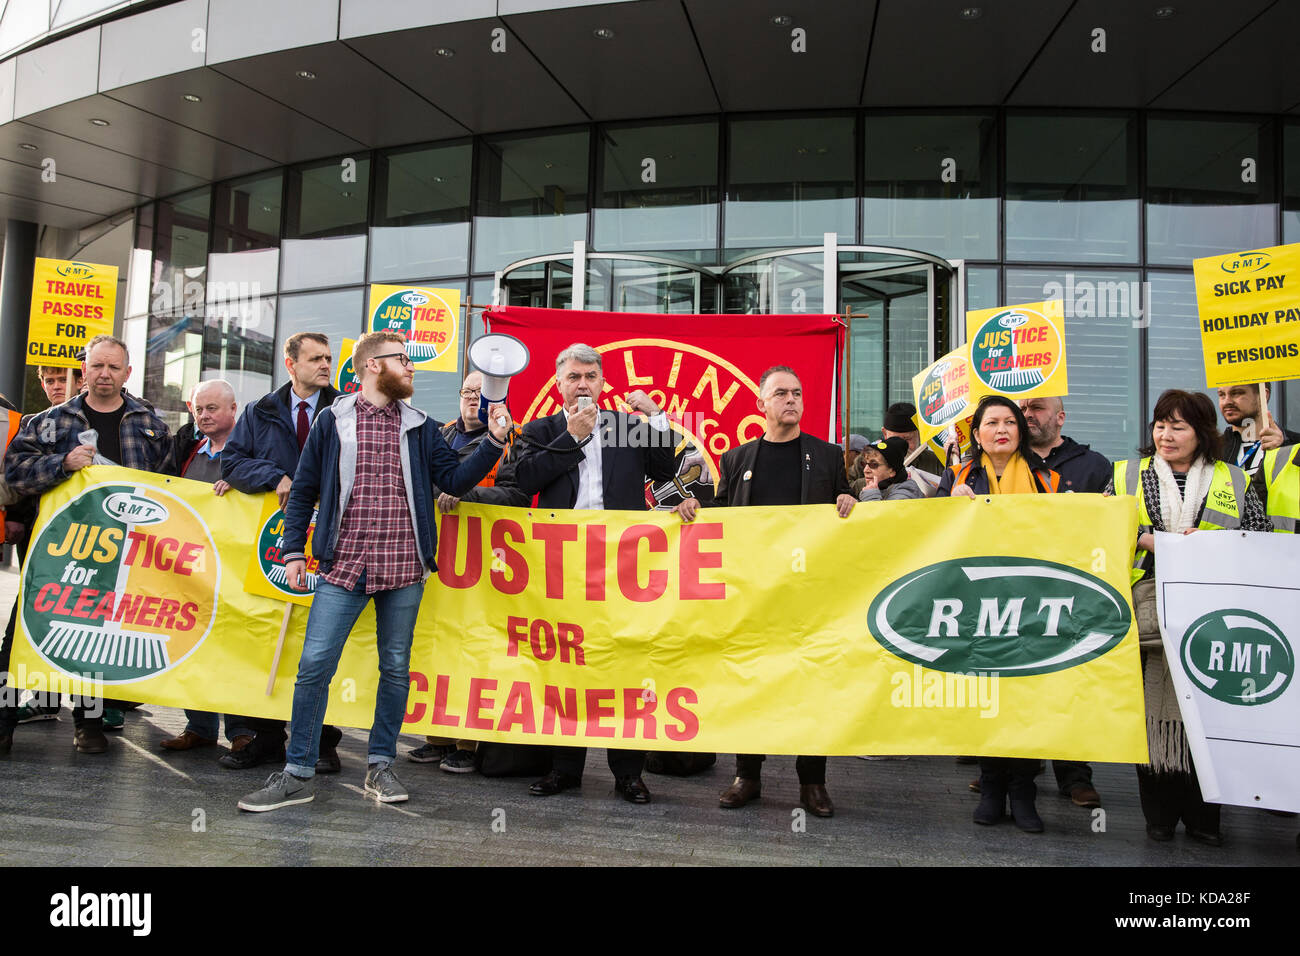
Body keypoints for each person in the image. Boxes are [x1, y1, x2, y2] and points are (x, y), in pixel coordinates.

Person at [237, 331, 512, 812]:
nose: (411, 367)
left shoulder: (422, 426)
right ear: (371, 366)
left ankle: (381, 765)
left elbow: (454, 479)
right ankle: (297, 771)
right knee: (314, 668)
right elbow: (302, 491)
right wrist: (294, 551)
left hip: (404, 568)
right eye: (402, 360)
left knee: (396, 669)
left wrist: (493, 440)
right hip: (342, 567)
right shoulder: (332, 419)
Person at [676, 365, 856, 818]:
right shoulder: (737, 459)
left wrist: (850, 501)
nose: (791, 400)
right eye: (780, 393)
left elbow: (845, 505)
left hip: (808, 594)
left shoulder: (829, 456)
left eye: (797, 392)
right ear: (762, 404)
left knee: (811, 685)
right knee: (749, 682)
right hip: (751, 593)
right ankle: (747, 776)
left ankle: (813, 782)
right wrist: (698, 506)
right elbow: (721, 513)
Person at [513, 343, 677, 805]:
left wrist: (657, 416)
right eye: (573, 377)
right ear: (559, 383)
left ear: (603, 383)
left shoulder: (627, 428)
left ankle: (629, 773)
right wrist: (570, 438)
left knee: (624, 664)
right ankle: (564, 769)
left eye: (590, 376)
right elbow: (524, 481)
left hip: (621, 566)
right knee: (565, 664)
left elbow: (665, 470)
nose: (582, 384)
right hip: (560, 566)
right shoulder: (541, 429)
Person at [1107, 389, 1270, 845]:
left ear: (1202, 433)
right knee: (1150, 713)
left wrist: (1211, 544)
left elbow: (1259, 540)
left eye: (1178, 426)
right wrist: (1142, 538)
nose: (1166, 434)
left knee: (1210, 714)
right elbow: (1098, 531)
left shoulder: (1234, 479)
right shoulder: (1126, 475)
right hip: (1146, 613)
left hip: (1214, 613)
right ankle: (1158, 816)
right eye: (1160, 425)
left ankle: (1204, 818)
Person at [3, 335, 171, 754]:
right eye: (97, 366)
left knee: (96, 636)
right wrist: (62, 464)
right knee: (23, 634)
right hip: (57, 554)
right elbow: (14, 475)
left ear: (127, 373)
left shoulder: (151, 424)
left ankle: (89, 724)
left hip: (120, 556)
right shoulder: (49, 421)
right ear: (84, 370)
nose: (104, 374)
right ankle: (3, 720)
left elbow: (174, 487)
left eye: (114, 367)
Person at [220, 332, 344, 772]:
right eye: (315, 358)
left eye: (328, 358)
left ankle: (322, 741)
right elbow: (232, 463)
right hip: (271, 548)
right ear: (291, 364)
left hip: (327, 544)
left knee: (320, 645)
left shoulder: (345, 409)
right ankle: (266, 738)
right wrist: (276, 477)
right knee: (267, 640)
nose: (325, 365)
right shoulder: (260, 411)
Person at [938, 394, 1058, 832]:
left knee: (1025, 698)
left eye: (1010, 421)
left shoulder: (1047, 477)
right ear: (977, 434)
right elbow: (928, 533)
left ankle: (1023, 793)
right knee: (989, 696)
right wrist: (949, 503)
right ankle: (991, 789)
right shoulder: (957, 475)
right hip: (977, 604)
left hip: (1030, 603)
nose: (1002, 429)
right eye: (992, 422)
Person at [408, 369, 528, 774]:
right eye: (467, 392)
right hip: (440, 562)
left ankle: (468, 740)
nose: (473, 399)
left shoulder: (514, 438)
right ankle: (437, 737)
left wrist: (466, 493)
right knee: (438, 642)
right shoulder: (438, 436)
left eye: (483, 393)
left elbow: (517, 495)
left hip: (485, 565)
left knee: (475, 646)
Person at [1017, 395, 1109, 809]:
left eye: (1037, 407)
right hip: (1017, 592)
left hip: (1074, 592)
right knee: (1019, 681)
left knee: (1069, 682)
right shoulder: (1002, 462)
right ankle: (1012, 771)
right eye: (1022, 409)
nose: (1027, 416)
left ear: (1060, 416)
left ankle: (1075, 776)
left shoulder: (1093, 466)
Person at [157, 380, 257, 756]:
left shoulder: (251, 454)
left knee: (232, 649)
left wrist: (243, 483)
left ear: (234, 409)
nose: (204, 415)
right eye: (199, 409)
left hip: (233, 571)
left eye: (213, 408)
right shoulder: (187, 447)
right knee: (191, 645)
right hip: (189, 569)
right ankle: (198, 725)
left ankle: (240, 729)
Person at [1216, 383, 1299, 483]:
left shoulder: (1295, 444)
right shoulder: (1212, 449)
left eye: (1236, 393)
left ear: (1263, 395)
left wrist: (1283, 448)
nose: (1227, 401)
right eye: (1221, 395)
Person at [882, 401, 944, 477]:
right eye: (894, 439)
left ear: (920, 434)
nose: (900, 446)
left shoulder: (937, 463)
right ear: (885, 434)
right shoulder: (868, 462)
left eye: (907, 439)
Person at [856, 436, 923, 502]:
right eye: (864, 464)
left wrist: (870, 497)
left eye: (873, 464)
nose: (865, 470)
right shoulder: (877, 487)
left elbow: (889, 513)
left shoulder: (905, 492)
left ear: (892, 471)